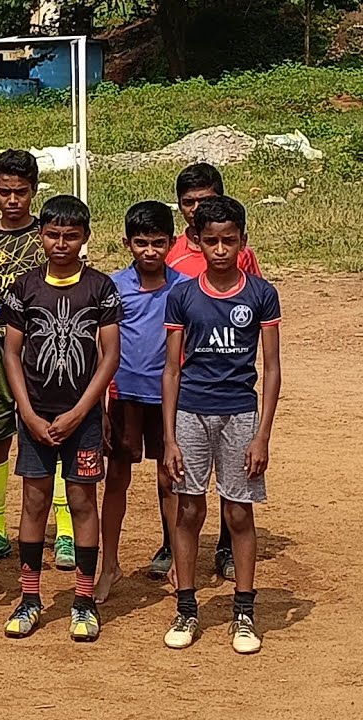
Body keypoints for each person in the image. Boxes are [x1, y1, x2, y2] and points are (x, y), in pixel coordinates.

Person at [0, 195, 122, 642]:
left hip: (82, 418)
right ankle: (30, 597)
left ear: (85, 237)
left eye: (71, 236)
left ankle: (84, 602)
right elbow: (11, 354)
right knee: (34, 502)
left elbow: (110, 356)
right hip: (35, 415)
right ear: (41, 236)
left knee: (82, 501)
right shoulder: (24, 288)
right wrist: (27, 413)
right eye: (53, 234)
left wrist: (80, 412)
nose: (62, 243)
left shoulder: (101, 288)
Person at [162, 196, 281, 654]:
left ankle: (244, 612)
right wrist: (169, 437)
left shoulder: (261, 294)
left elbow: (271, 369)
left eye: (229, 240)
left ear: (242, 241)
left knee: (238, 513)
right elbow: (172, 370)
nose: (220, 249)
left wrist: (262, 435)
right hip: (190, 413)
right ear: (197, 241)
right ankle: (186, 608)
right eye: (210, 241)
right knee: (189, 511)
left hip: (240, 415)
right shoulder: (182, 296)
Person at [0, 149, 75, 571]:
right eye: (4, 192)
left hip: (45, 352)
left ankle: (65, 531)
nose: (12, 200)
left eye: (21, 192)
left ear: (34, 190)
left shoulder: (48, 236)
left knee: (54, 433)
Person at [165, 162, 263, 582]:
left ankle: (227, 552)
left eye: (204, 200)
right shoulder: (173, 258)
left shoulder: (251, 275)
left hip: (235, 398)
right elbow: (171, 352)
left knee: (235, 496)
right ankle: (174, 555)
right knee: (183, 490)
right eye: (188, 202)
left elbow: (253, 315)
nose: (220, 250)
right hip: (188, 392)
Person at [97, 201, 189, 603]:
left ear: (172, 242)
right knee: (116, 479)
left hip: (172, 398)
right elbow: (101, 348)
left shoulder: (184, 287)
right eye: (141, 243)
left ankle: (179, 563)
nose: (150, 251)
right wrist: (100, 404)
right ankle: (109, 565)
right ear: (126, 243)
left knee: (170, 480)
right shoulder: (114, 287)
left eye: (158, 243)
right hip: (124, 395)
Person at [166, 163, 262, 278]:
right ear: (180, 206)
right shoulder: (168, 253)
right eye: (188, 202)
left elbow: (254, 288)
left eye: (205, 200)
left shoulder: (241, 253)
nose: (196, 208)